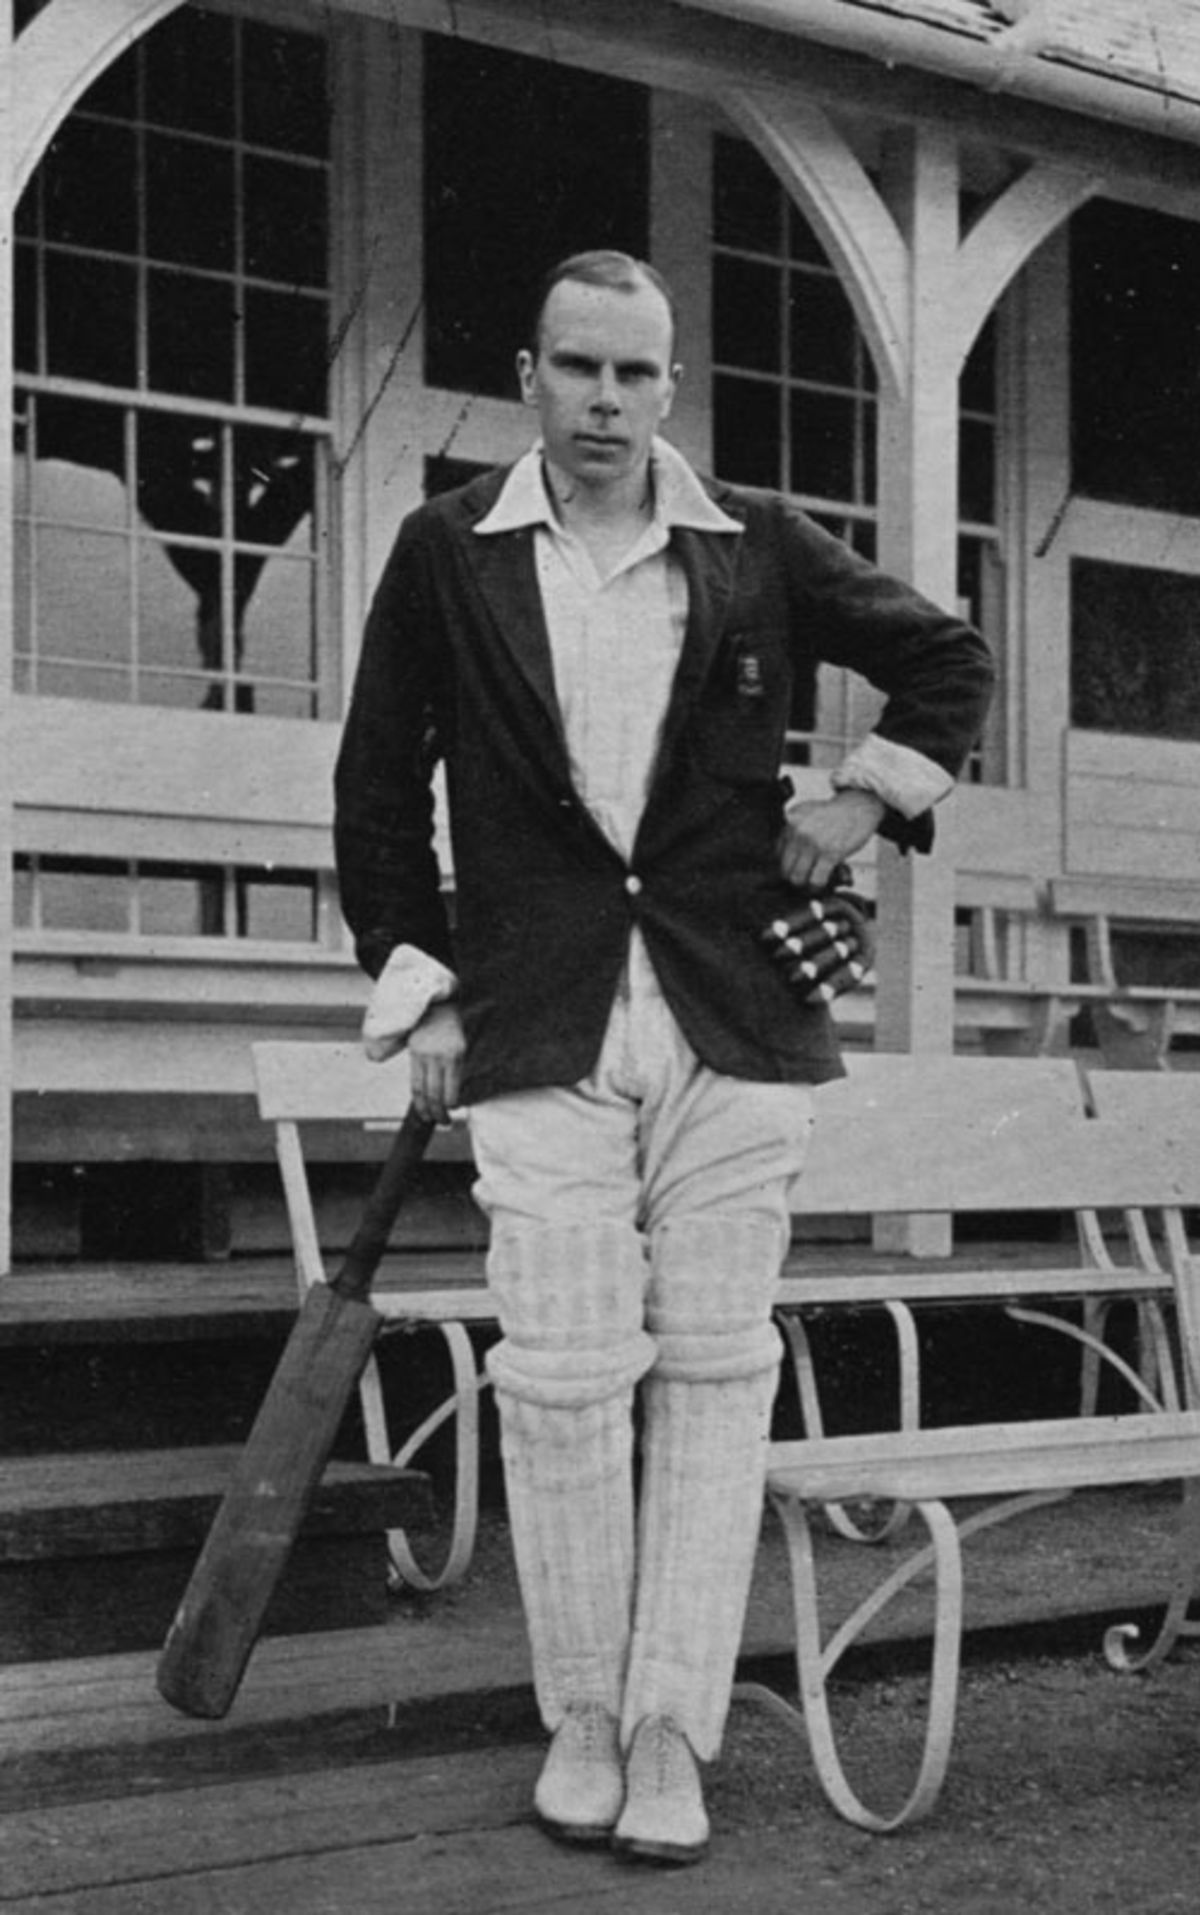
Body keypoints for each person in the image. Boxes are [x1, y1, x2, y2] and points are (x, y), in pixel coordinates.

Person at [334, 249, 994, 1867]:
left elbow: (949, 657)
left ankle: (668, 1730)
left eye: (635, 374)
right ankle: (577, 1711)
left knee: (713, 1377)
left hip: (732, 1013)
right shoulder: (444, 552)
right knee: (560, 1378)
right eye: (577, 369)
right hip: (537, 1013)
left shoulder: (751, 545)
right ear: (530, 373)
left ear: (671, 386)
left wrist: (858, 799)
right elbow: (375, 785)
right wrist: (421, 991)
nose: (606, 403)